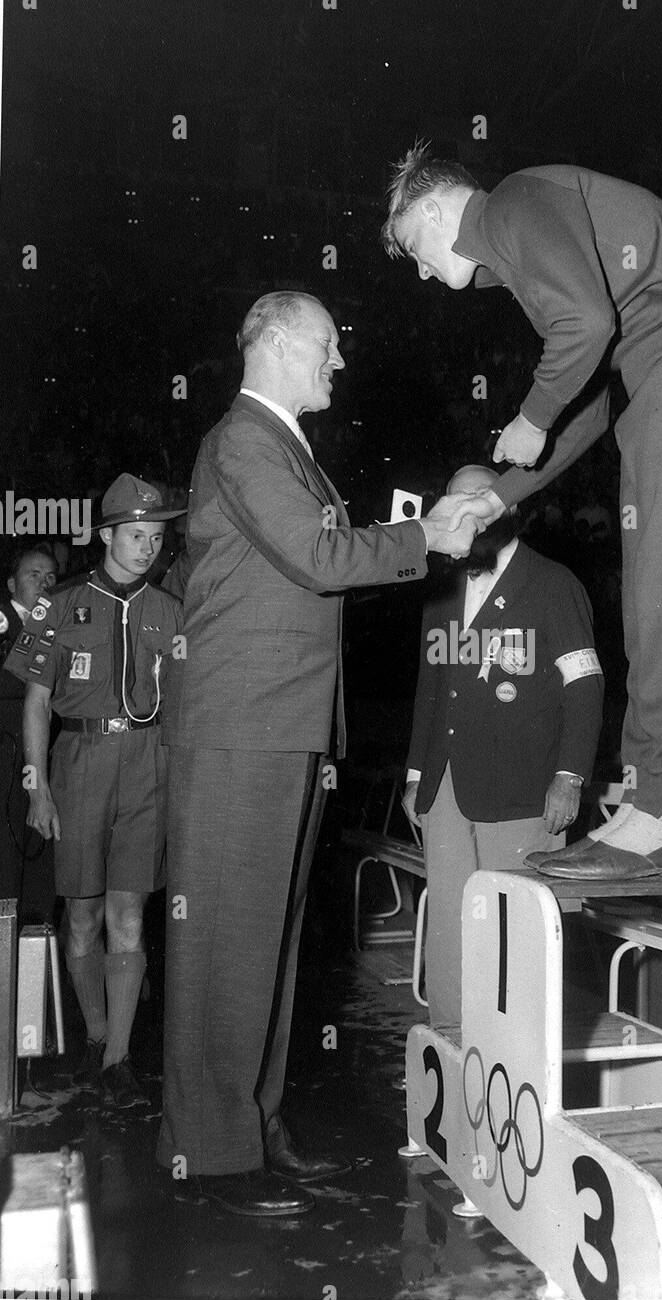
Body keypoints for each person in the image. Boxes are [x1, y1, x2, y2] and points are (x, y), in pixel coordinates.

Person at [157, 291, 480, 1218]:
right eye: (330, 348)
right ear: (285, 346)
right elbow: (316, 555)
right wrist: (425, 535)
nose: (340, 364)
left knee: (269, 941)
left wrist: (421, 538)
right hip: (241, 729)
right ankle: (213, 1158)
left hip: (280, 725)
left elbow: (321, 565)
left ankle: (252, 1128)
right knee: (226, 941)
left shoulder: (285, 451)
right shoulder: (246, 443)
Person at [382, 147, 662, 880]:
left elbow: (584, 328)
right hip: (658, 382)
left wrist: (530, 414)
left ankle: (661, 811)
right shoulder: (526, 245)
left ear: (432, 208)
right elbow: (589, 403)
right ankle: (645, 804)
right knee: (653, 603)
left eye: (413, 251)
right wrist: (498, 494)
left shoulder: (516, 202)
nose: (424, 273)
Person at [3, 478, 184, 1106]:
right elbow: (36, 701)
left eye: (156, 538)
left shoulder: (170, 610)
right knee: (80, 912)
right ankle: (96, 1031)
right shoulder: (60, 605)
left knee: (129, 912)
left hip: (148, 763)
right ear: (106, 534)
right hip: (79, 760)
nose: (146, 548)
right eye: (135, 535)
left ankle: (118, 1059)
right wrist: (39, 788)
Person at [404, 464, 604, 1029]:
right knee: (449, 918)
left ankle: (515, 1060)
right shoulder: (441, 585)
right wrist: (416, 776)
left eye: (476, 500)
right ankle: (449, 1041)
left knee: (515, 923)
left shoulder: (553, 583)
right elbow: (430, 687)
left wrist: (570, 775)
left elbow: (586, 685)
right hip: (444, 785)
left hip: (524, 788)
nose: (463, 513)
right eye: (452, 501)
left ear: (506, 506)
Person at [0, 544, 59, 914]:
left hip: (41, 753)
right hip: (5, 750)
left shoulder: (58, 622)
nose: (44, 584)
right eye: (33, 575)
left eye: (51, 577)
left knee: (39, 851)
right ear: (11, 584)